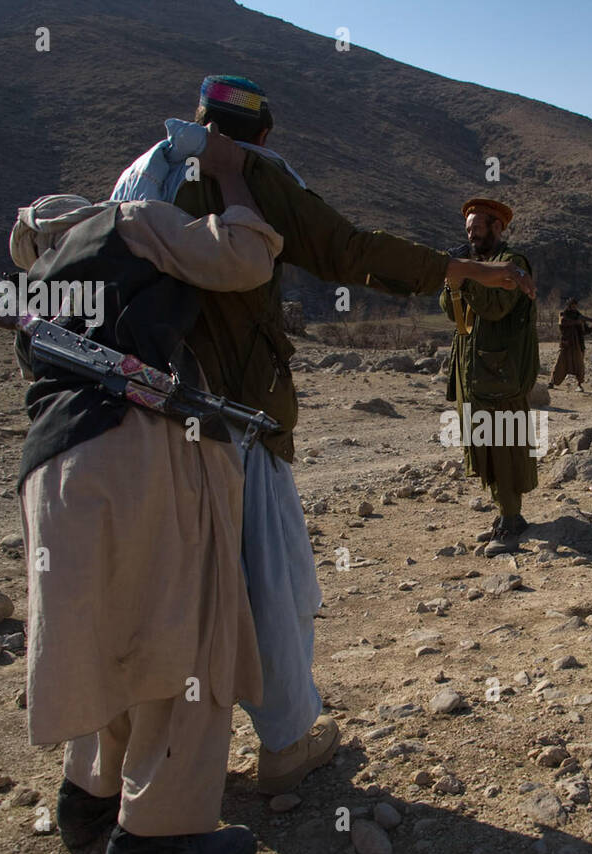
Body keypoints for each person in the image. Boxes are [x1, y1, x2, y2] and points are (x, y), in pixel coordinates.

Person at [111, 76, 534, 791]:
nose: (477, 231)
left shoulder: (140, 174)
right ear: (264, 137)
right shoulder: (250, 175)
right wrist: (461, 271)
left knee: (163, 589)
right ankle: (285, 742)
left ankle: (133, 774)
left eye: (483, 228)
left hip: (143, 416)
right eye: (473, 228)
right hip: (238, 418)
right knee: (271, 587)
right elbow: (348, 248)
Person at [10, 131, 284, 854]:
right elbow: (246, 256)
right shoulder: (132, 222)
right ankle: (161, 835)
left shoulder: (42, 274)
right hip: (135, 454)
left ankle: (89, 799)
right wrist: (231, 180)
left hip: (54, 469)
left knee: (114, 639)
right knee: (189, 640)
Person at [440, 197, 539, 557]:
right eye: (468, 230)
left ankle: (513, 520)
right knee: (484, 446)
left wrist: (465, 274)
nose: (471, 237)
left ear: (497, 227)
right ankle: (504, 515)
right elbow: (450, 312)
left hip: (502, 375)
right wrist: (456, 281)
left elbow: (495, 307)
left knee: (505, 446)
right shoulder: (477, 266)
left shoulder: (512, 265)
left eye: (477, 229)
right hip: (475, 373)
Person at [549, 297, 592, 391]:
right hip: (566, 343)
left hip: (578, 345)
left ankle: (579, 384)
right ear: (569, 306)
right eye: (572, 305)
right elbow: (562, 323)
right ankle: (552, 382)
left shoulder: (579, 316)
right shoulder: (563, 314)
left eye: (575, 305)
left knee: (579, 366)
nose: (574, 307)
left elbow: (585, 331)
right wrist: (576, 322)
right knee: (560, 363)